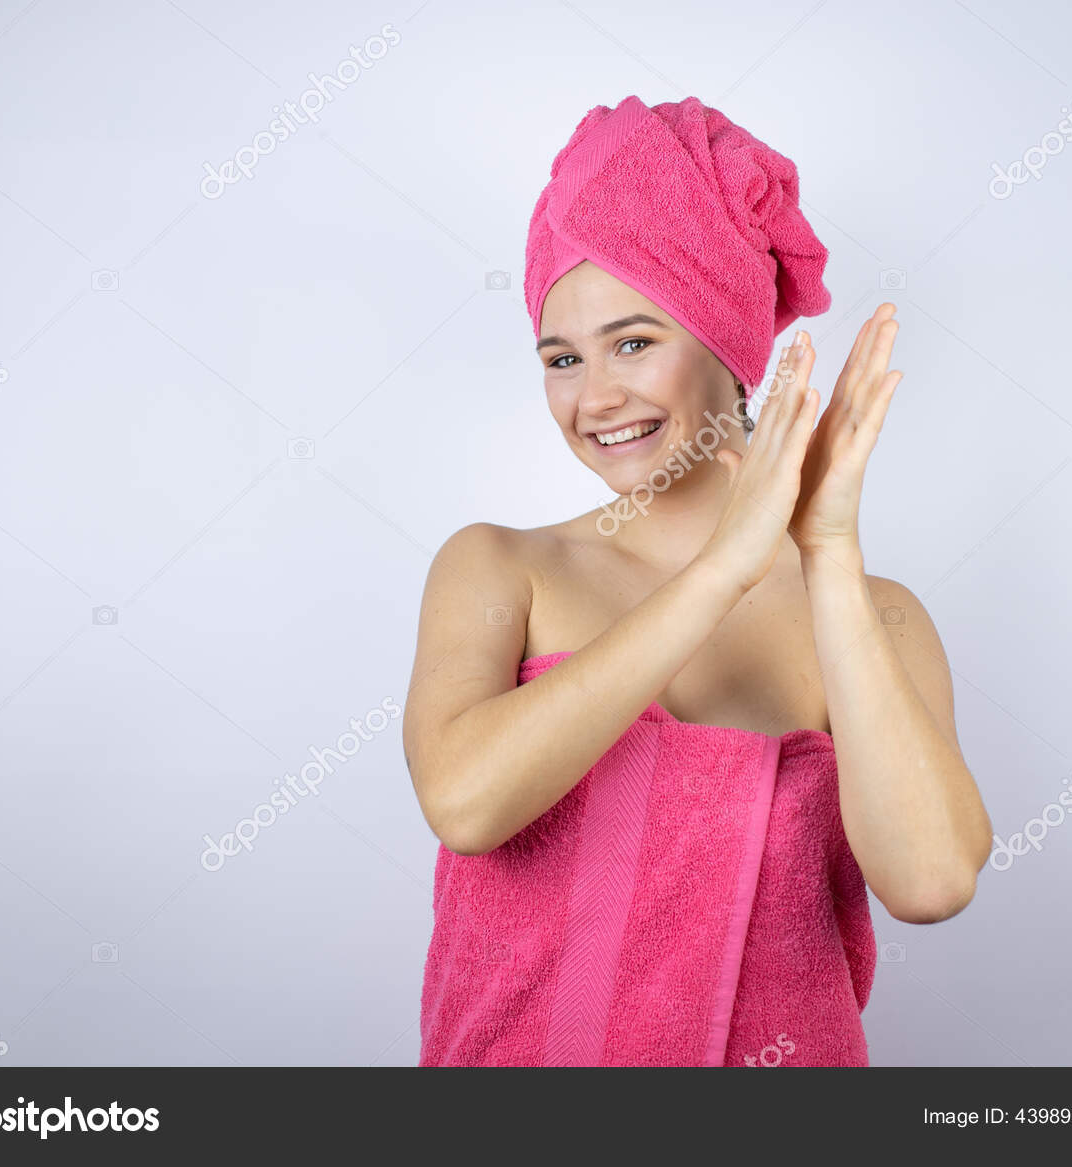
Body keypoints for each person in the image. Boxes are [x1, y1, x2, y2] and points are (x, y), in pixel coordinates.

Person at [405, 94, 993, 1067]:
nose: (595, 397)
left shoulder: (878, 615)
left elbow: (930, 881)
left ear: (728, 348)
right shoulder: (499, 568)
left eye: (634, 343)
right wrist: (722, 570)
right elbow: (468, 804)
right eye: (562, 358)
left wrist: (829, 559)